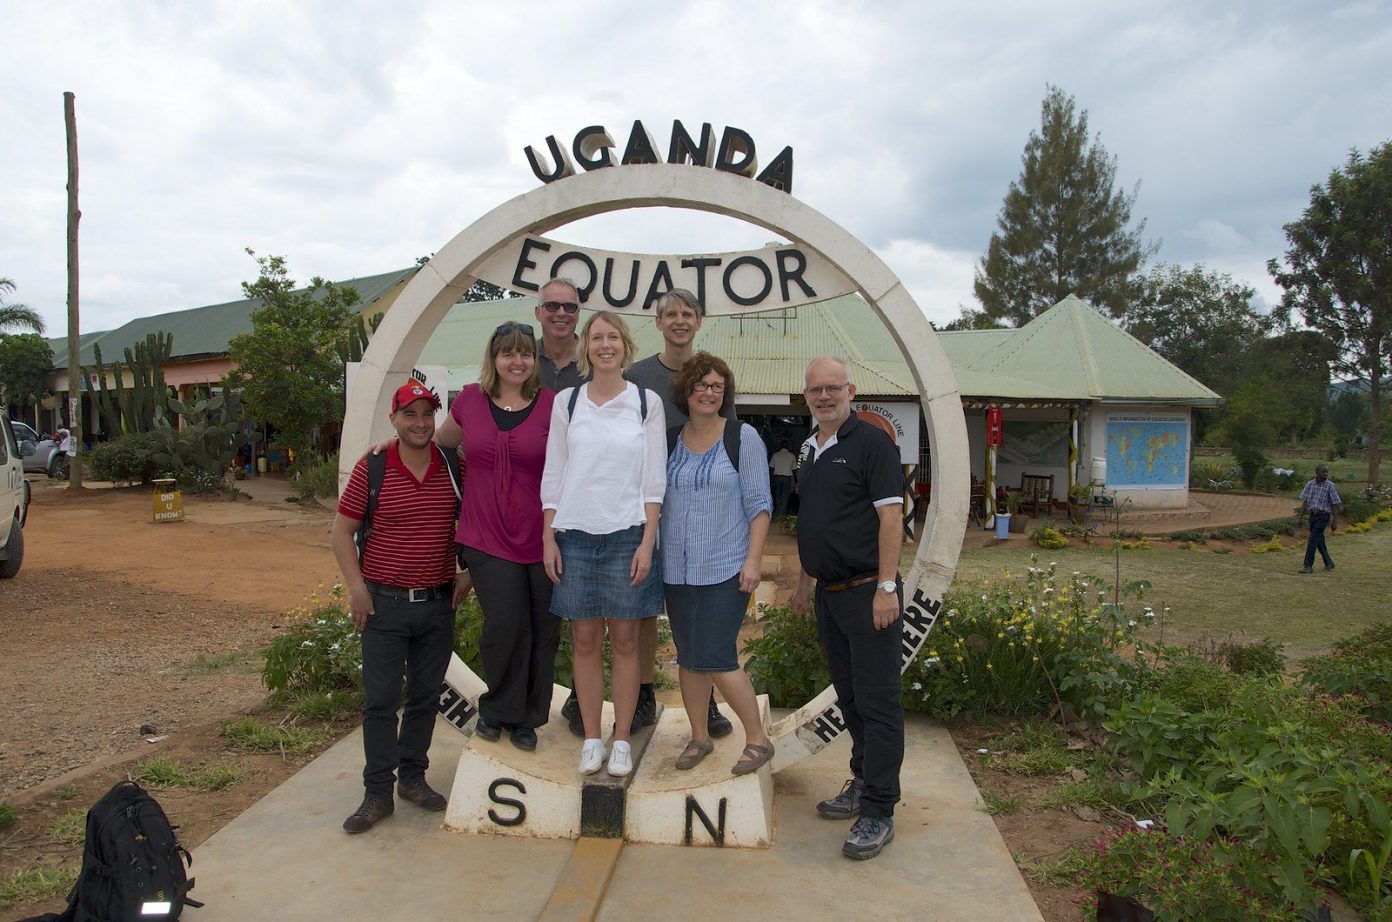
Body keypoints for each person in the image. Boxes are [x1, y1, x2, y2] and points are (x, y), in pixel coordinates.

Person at [331, 381, 470, 834]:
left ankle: (412, 778)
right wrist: (356, 589)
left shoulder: (452, 464)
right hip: (384, 605)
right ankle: (377, 793)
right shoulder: (373, 466)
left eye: (427, 414)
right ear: (393, 419)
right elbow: (341, 532)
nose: (420, 423)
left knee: (425, 698)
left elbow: (475, 517)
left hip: (436, 603)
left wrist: (467, 572)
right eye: (409, 415)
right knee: (381, 701)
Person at [600, 287, 733, 740]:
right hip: (639, 511)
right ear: (657, 322)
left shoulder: (713, 375)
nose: (679, 320)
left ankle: (708, 701)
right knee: (640, 613)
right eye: (670, 314)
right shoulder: (635, 376)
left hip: (697, 518)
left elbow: (725, 443)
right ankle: (641, 700)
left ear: (699, 321)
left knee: (696, 612)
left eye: (687, 313)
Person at [542, 311, 666, 777]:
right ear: (585, 347)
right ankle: (592, 737)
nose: (605, 344)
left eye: (613, 337)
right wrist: (548, 535)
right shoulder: (567, 403)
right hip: (574, 535)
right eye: (596, 337)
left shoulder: (644, 402)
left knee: (629, 640)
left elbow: (654, 479)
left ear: (625, 345)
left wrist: (647, 540)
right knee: (585, 639)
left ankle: (621, 738)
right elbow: (554, 471)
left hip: (627, 534)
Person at [792, 355, 905, 861]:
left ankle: (879, 810)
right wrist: (802, 582)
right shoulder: (809, 449)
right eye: (816, 390)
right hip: (829, 595)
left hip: (866, 592)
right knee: (851, 697)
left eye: (832, 388)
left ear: (850, 390)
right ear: (808, 396)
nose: (824, 397)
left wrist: (886, 587)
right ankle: (862, 781)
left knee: (879, 703)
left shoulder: (872, 444)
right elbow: (814, 522)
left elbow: (890, 519)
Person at [435, 322, 560, 751]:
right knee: (505, 625)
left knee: (543, 628)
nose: (517, 361)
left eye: (525, 353)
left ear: (535, 360)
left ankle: (528, 718)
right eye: (508, 353)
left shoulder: (551, 404)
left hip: (542, 538)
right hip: (485, 536)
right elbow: (438, 447)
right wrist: (388, 443)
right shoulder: (470, 399)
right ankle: (498, 709)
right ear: (494, 358)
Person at [661, 352, 775, 774]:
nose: (709, 393)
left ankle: (759, 740)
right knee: (688, 657)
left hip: (726, 567)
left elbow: (760, 504)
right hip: (676, 569)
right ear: (685, 391)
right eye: (701, 385)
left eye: (717, 387)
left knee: (717, 655)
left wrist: (753, 560)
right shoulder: (670, 439)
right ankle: (699, 737)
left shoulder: (742, 437)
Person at [535, 277, 585, 390]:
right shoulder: (523, 359)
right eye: (552, 305)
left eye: (569, 307)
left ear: (578, 314)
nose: (561, 313)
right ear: (538, 313)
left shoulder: (595, 361)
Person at [1297, 463, 1341, 574]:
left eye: (1327, 472)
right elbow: (1305, 501)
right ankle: (1329, 562)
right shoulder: (1310, 484)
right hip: (1313, 516)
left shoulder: (1330, 485)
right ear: (1317, 472)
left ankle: (1308, 566)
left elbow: (1335, 504)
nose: (1326, 474)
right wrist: (1300, 517)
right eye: (1323, 471)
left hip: (1323, 516)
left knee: (1312, 540)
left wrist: (1335, 521)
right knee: (1319, 540)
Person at [769, 440, 796, 517]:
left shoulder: (775, 455)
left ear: (780, 446)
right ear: (788, 446)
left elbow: (771, 467)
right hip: (787, 478)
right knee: (785, 496)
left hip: (777, 477)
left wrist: (770, 479)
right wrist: (795, 481)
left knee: (777, 495)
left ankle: (777, 512)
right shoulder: (792, 456)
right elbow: (794, 469)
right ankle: (782, 513)